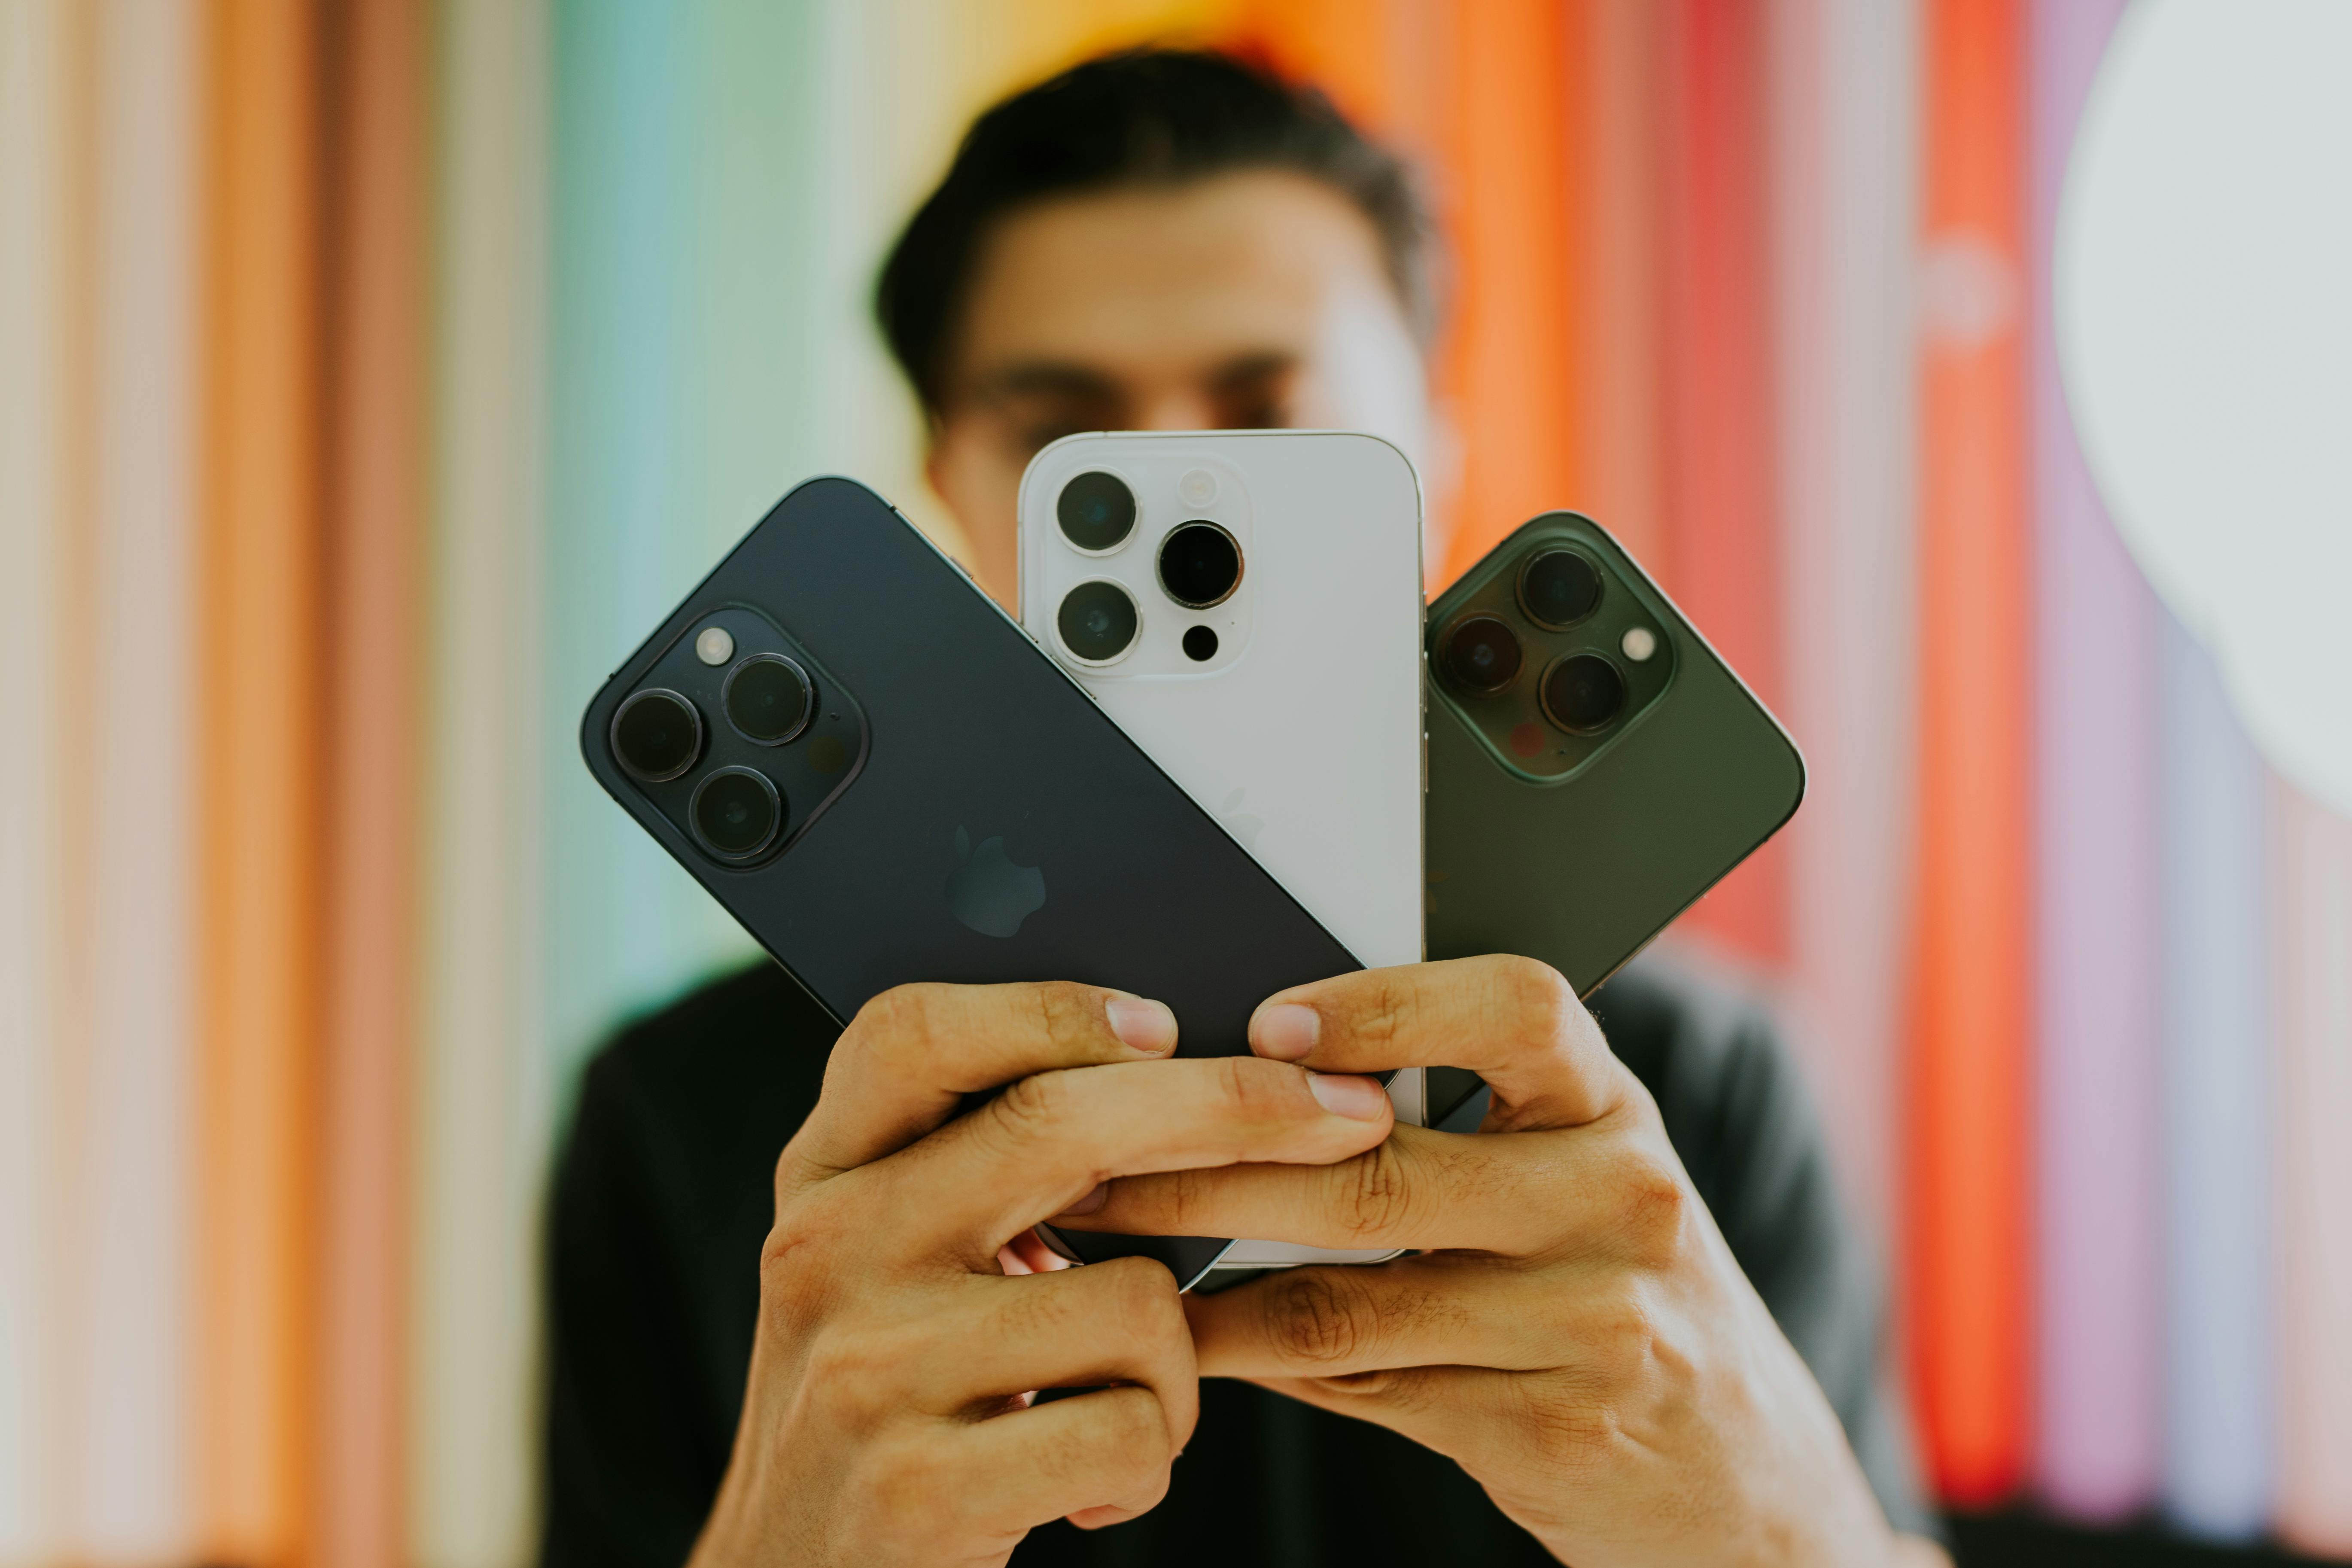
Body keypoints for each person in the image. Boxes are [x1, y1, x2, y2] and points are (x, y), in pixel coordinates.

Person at [543, 49, 1944, 1568]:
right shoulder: (682, 1116)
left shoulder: (1696, 1092)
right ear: (948, 484)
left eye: (1270, 424)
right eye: (1072, 441)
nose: (1185, 511)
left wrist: (1784, 1532)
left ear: (1436, 462)